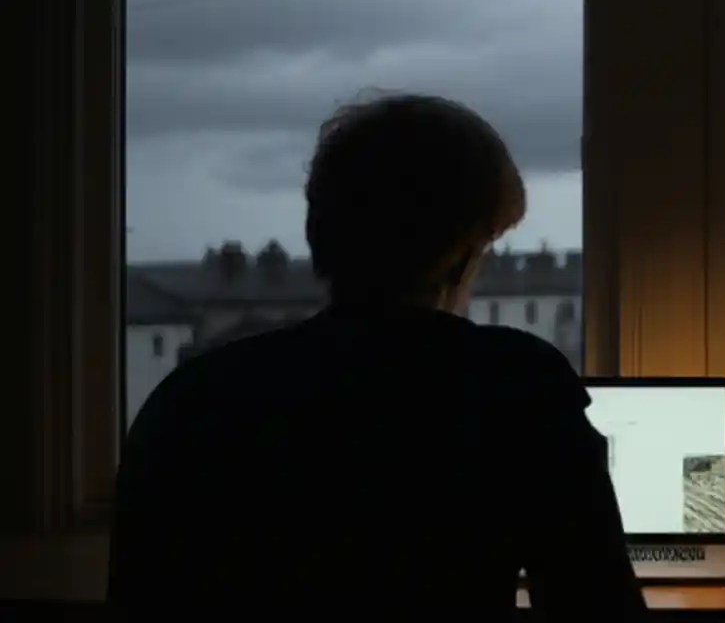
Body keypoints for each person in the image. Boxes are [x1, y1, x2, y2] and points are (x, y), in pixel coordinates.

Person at [108, 93, 647, 617]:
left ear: (321, 232)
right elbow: (598, 603)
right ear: (462, 258)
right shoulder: (518, 386)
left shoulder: (192, 401)